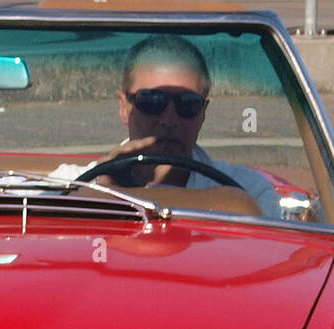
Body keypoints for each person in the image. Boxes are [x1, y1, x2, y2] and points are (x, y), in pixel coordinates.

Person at [52, 36, 282, 218]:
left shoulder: (251, 192)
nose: (169, 118)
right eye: (152, 101)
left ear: (203, 113)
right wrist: (100, 191)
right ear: (123, 107)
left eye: (187, 104)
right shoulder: (64, 185)